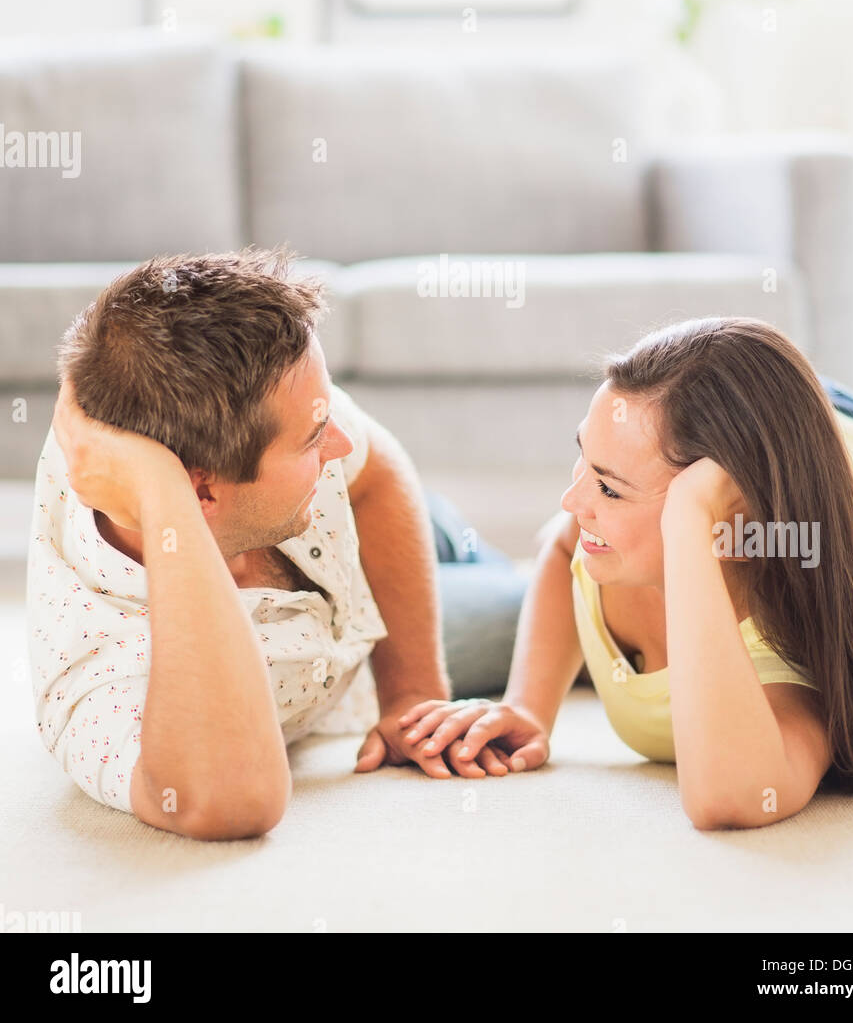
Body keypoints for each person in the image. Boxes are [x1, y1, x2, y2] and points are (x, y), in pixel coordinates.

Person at [28, 248, 526, 840]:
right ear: (201, 490)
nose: (340, 439)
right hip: (333, 633)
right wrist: (164, 495)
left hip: (382, 534)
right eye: (314, 437)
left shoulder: (272, 406)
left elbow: (378, 466)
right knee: (559, 606)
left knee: (593, 591)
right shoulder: (97, 678)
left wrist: (413, 695)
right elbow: (232, 803)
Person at [398, 317, 853, 829]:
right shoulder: (601, 528)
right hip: (771, 417)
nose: (570, 500)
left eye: (609, 487)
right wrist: (527, 706)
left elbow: (724, 799)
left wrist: (690, 513)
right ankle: (435, 522)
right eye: (582, 457)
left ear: (723, 515)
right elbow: (561, 547)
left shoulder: (801, 659)